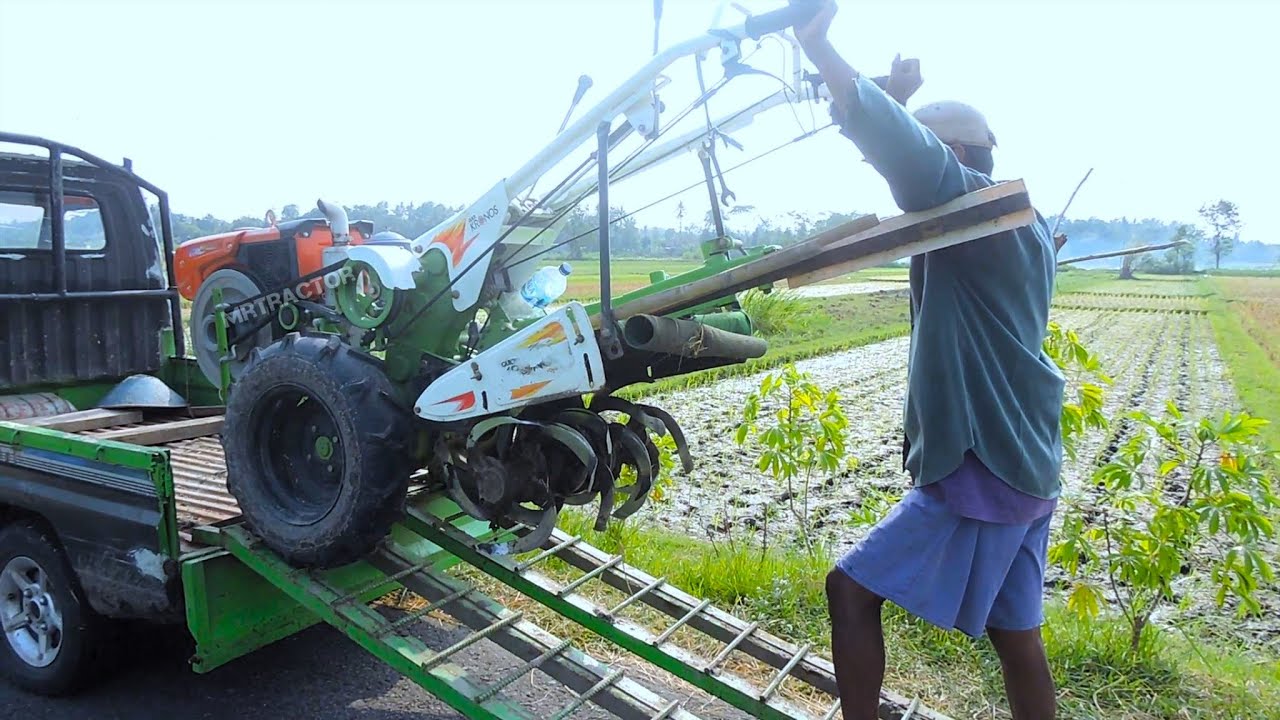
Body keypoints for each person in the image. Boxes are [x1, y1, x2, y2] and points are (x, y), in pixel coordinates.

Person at [792, 3, 1066, 719]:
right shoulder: (1024, 225)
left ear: (959, 162)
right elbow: (907, 161)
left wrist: (821, 49)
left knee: (849, 591)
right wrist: (896, 104)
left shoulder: (976, 212)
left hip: (985, 462)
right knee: (1016, 635)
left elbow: (909, 159)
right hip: (1029, 461)